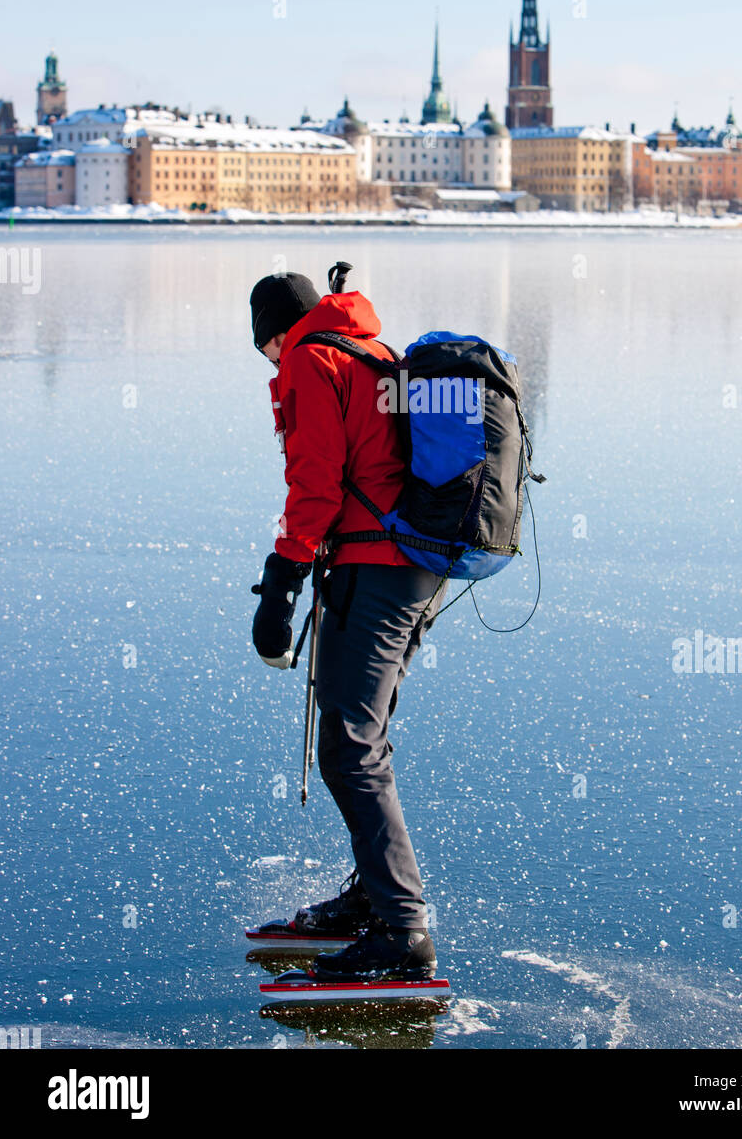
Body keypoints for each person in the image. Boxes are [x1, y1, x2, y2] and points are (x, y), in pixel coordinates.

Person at [248, 267, 447, 982]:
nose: (270, 364)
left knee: (350, 747)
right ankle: (374, 898)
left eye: (264, 350)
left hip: (376, 566)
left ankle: (402, 934)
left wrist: (281, 584)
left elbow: (318, 482)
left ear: (276, 333)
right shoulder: (376, 352)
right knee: (361, 737)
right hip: (414, 566)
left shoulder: (311, 358)